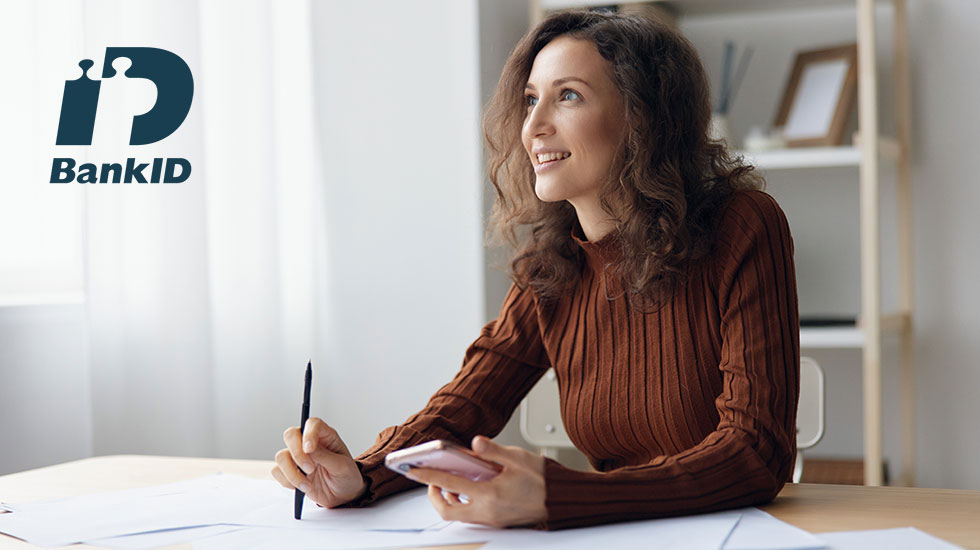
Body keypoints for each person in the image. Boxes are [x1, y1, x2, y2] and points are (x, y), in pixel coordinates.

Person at [271, 10, 799, 530]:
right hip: (618, 534)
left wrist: (562, 496)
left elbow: (754, 452)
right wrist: (363, 475)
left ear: (643, 117)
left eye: (567, 95)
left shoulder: (742, 226)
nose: (533, 127)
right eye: (530, 100)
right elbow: (465, 408)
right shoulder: (555, 264)